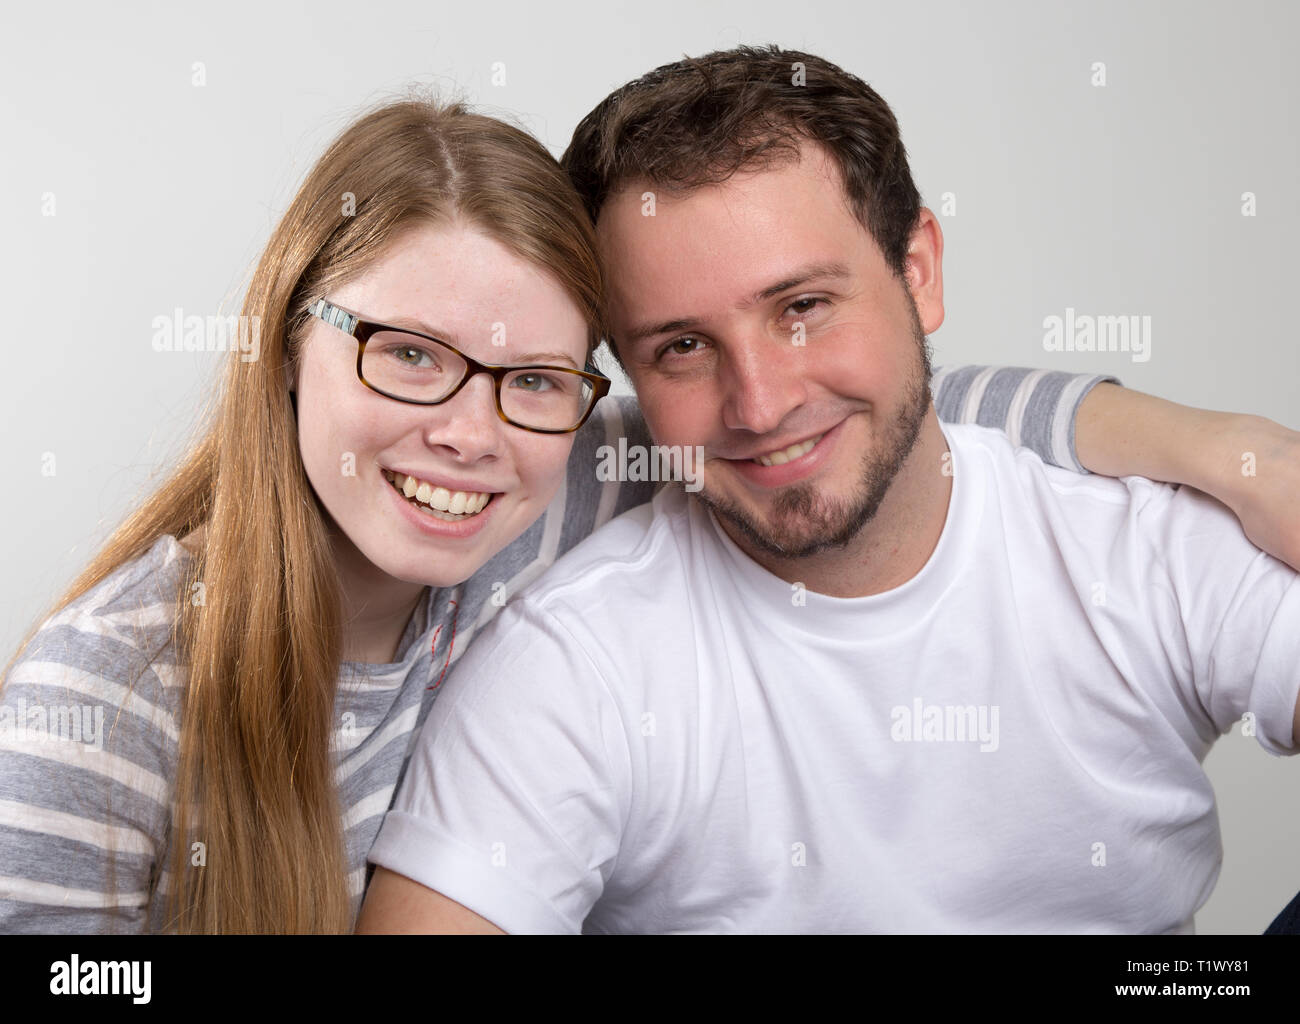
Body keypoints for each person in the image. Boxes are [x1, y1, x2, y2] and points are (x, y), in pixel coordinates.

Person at [0, 86, 1288, 938]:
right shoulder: (105, 699)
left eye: (534, 377)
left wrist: (1219, 450)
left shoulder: (583, 472)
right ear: (285, 340)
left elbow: (881, 425)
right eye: (406, 353)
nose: (468, 428)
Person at [357, 47, 1300, 935]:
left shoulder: (1144, 551)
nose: (761, 405)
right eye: (681, 347)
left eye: (802, 309)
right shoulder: (571, 664)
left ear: (918, 272)